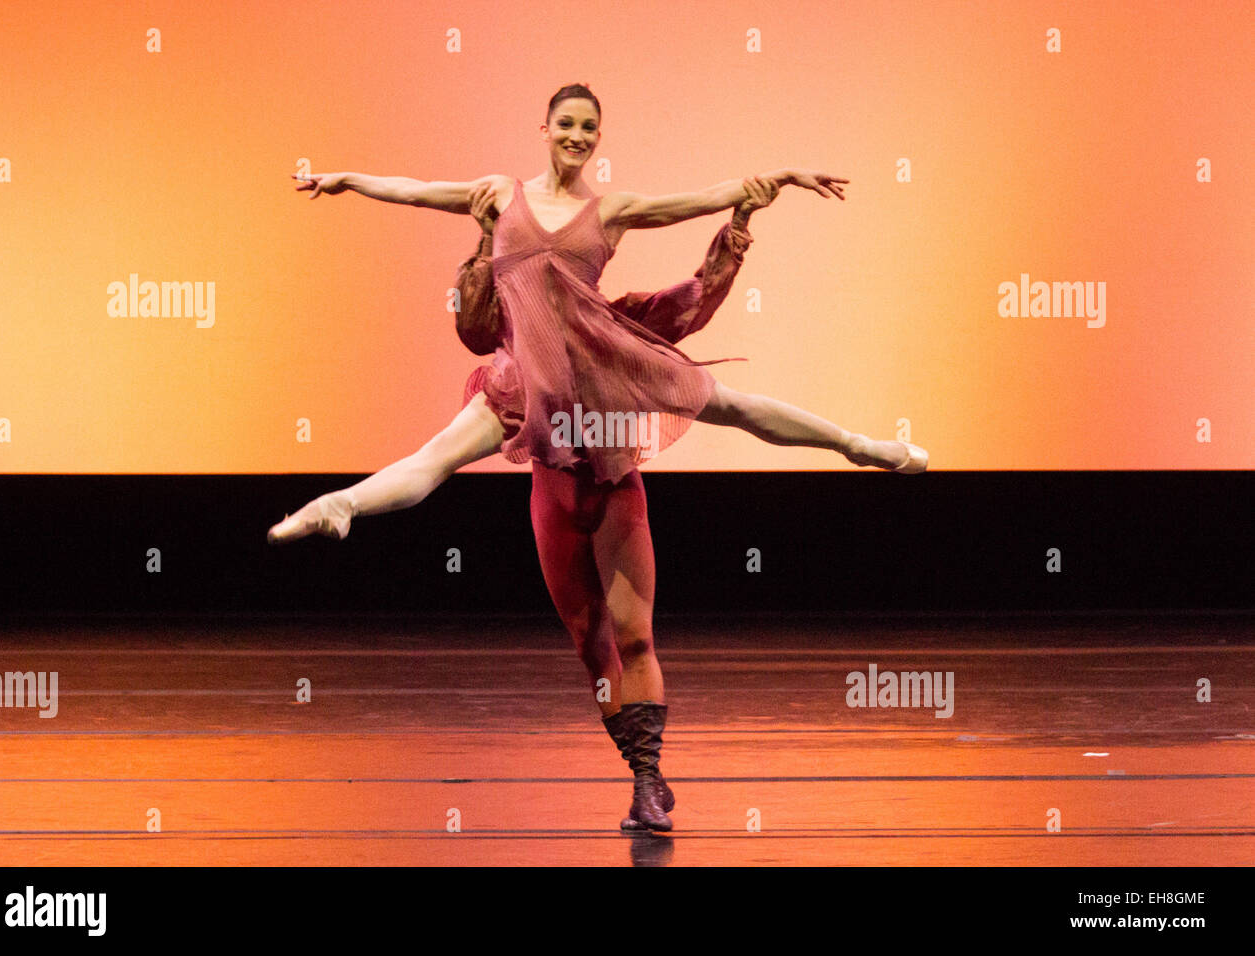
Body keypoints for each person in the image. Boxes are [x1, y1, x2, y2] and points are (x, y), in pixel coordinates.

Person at [282, 84, 928, 829]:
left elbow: (693, 200)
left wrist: (767, 183)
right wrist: (345, 180)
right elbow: (419, 191)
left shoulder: (609, 211)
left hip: (603, 381)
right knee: (569, 620)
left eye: (589, 127)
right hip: (532, 392)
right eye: (567, 124)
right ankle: (341, 504)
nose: (578, 136)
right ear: (545, 129)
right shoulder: (499, 197)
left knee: (720, 427)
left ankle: (860, 447)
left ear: (597, 135)